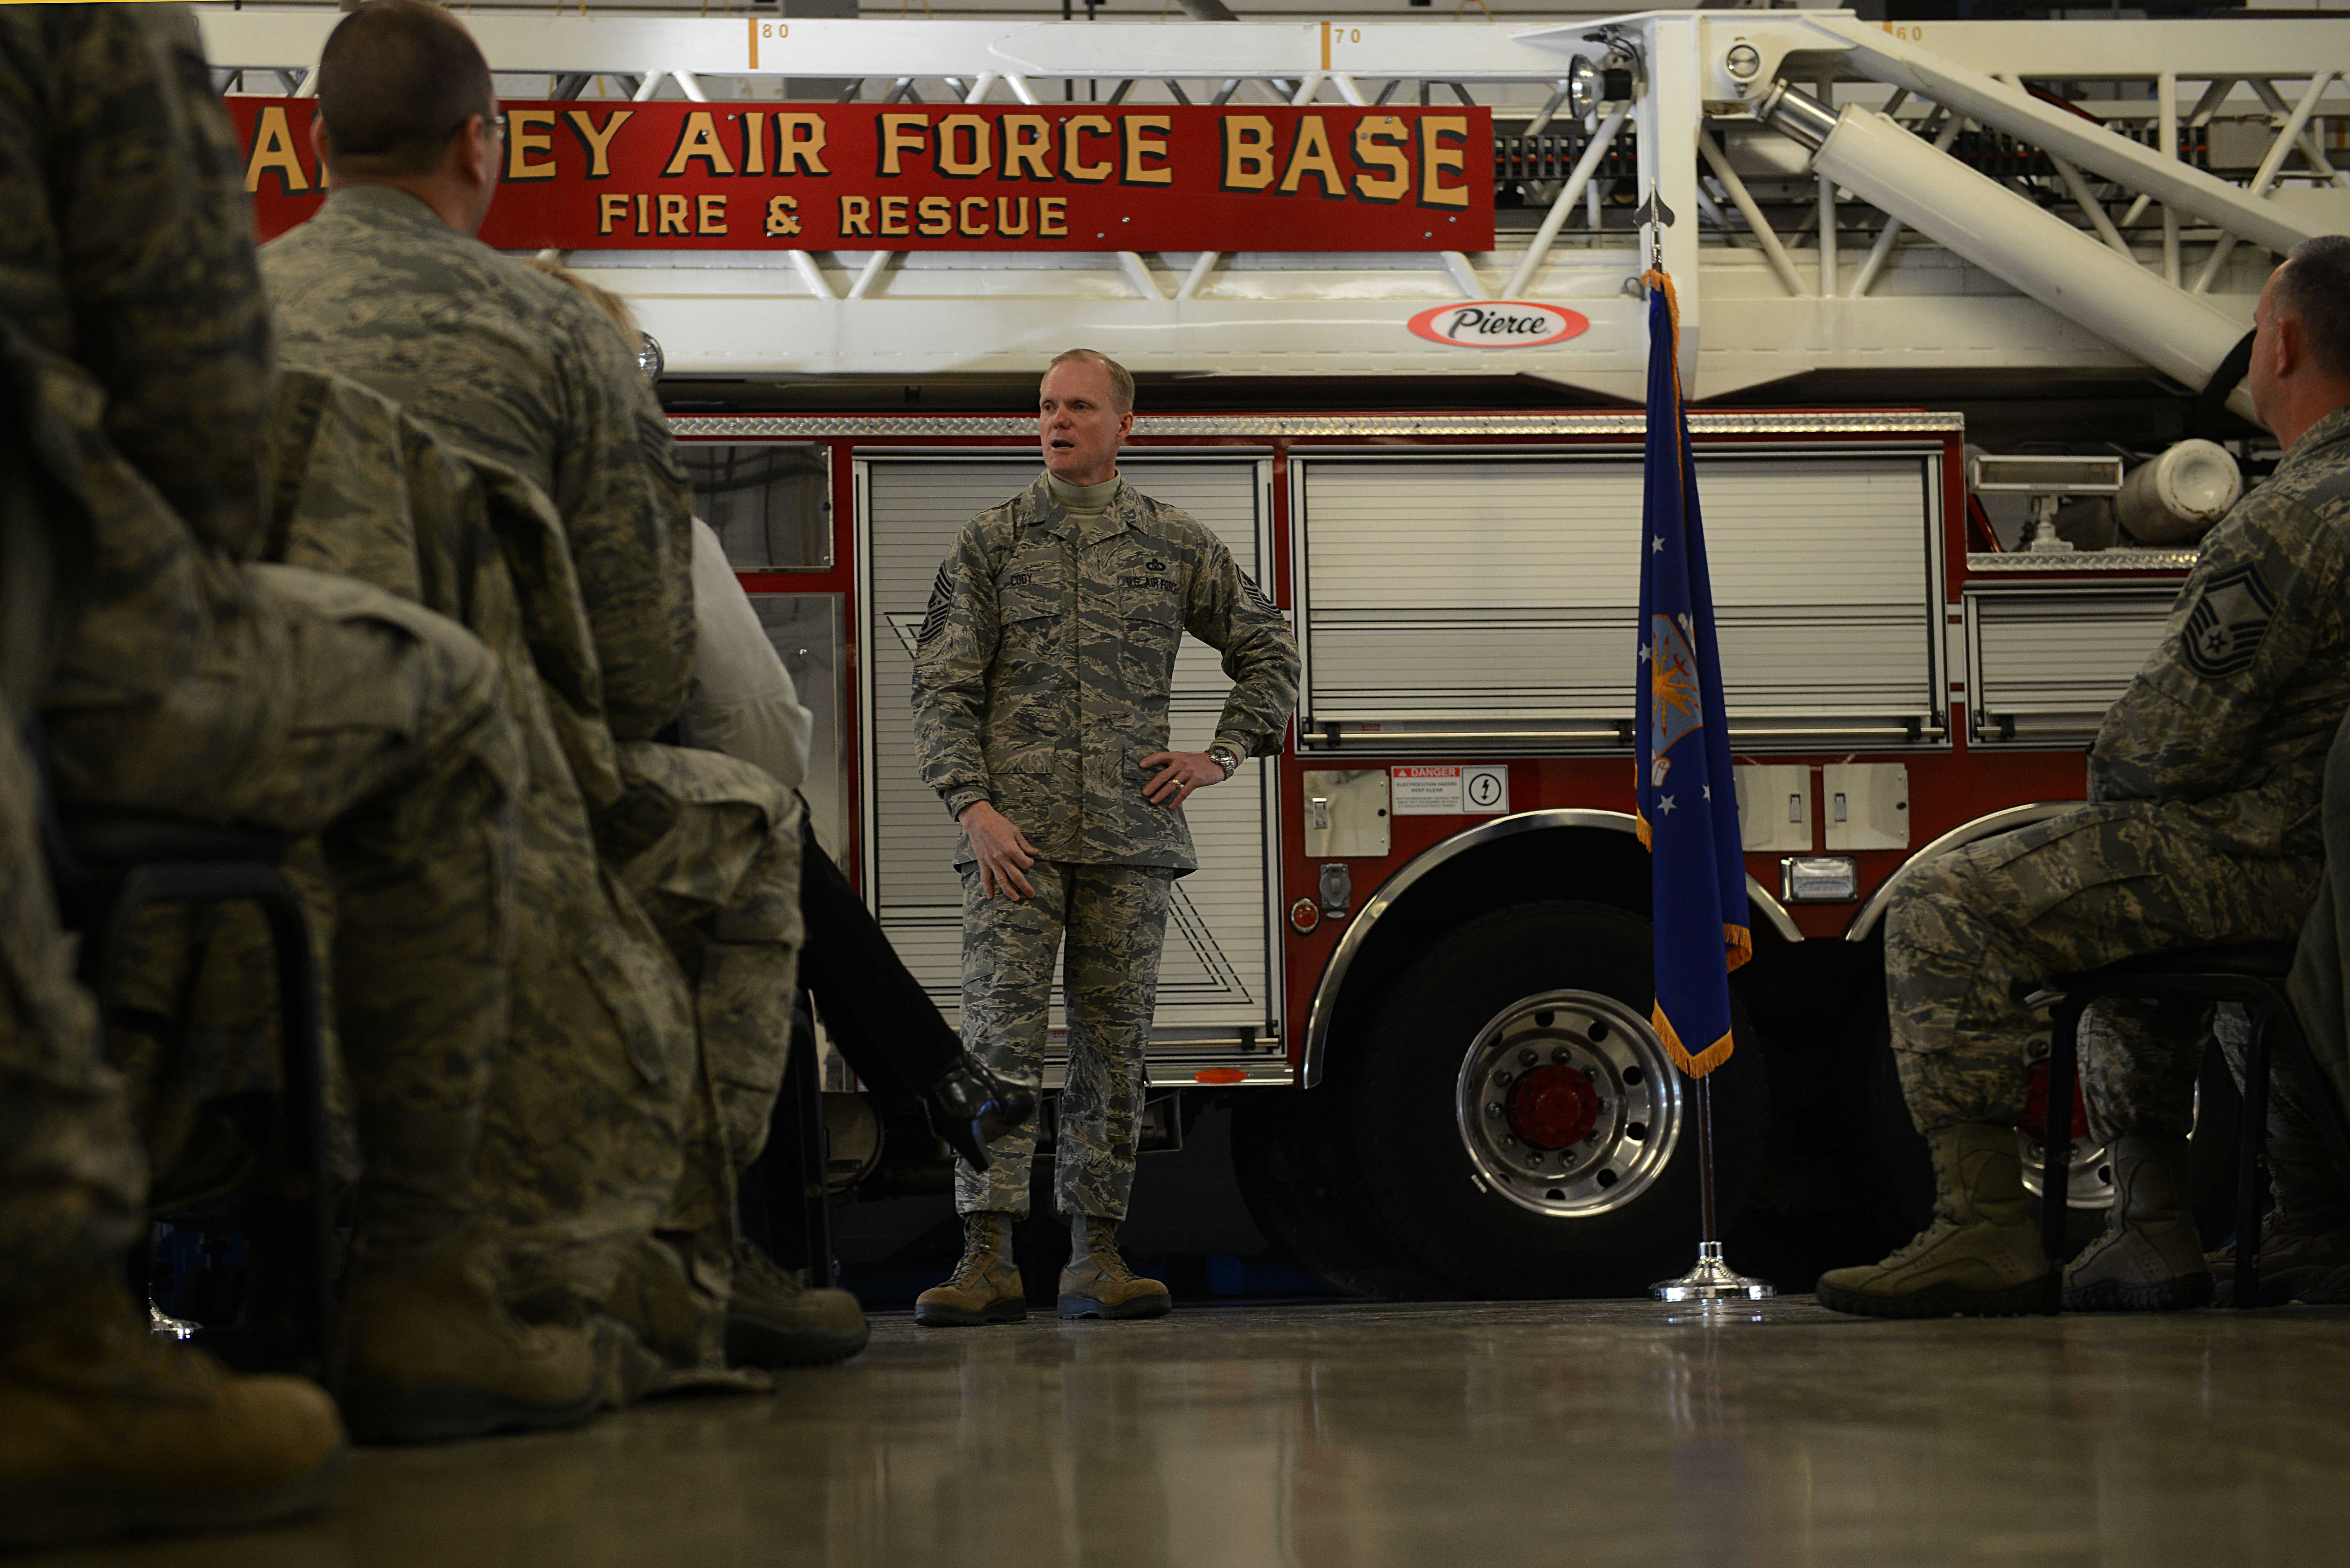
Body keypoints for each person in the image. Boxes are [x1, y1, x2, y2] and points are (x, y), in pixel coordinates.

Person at [0, 1, 599, 1511]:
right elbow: (200, 413)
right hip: (64, 634)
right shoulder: (73, 21)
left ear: (324, 140)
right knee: (452, 702)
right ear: (485, 145)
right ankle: (407, 1287)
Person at [256, 0, 857, 1374]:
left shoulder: (218, 324)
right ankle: (681, 1259)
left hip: (241, 807)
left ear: (311, 142)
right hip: (502, 815)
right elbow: (644, 669)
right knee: (754, 827)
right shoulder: (563, 337)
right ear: (483, 144)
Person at [1819, 235, 2350, 1319]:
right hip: (2325, 880)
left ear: (2283, 344)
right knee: (2134, 903)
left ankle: (1986, 1230)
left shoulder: (2300, 514)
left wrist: (2130, 776)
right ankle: (2300, 1222)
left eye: (2257, 326)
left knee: (1952, 897)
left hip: (2271, 862)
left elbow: (2161, 748)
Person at [529, 255, 1037, 1170]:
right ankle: (933, 1087)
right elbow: (756, 724)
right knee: (771, 819)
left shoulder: (407, 496)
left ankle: (937, 1081)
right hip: (592, 860)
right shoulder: (648, 525)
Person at [908, 349, 1300, 1325]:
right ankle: (986, 1257)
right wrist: (974, 807)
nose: (1057, 421)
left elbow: (1270, 649)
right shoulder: (993, 542)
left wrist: (1221, 752)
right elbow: (940, 687)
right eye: (1046, 407)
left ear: (1126, 425)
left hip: (1129, 840)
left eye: (1078, 407)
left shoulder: (1172, 544)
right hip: (1015, 848)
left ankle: (1097, 1254)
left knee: (1111, 1051)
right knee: (997, 1047)